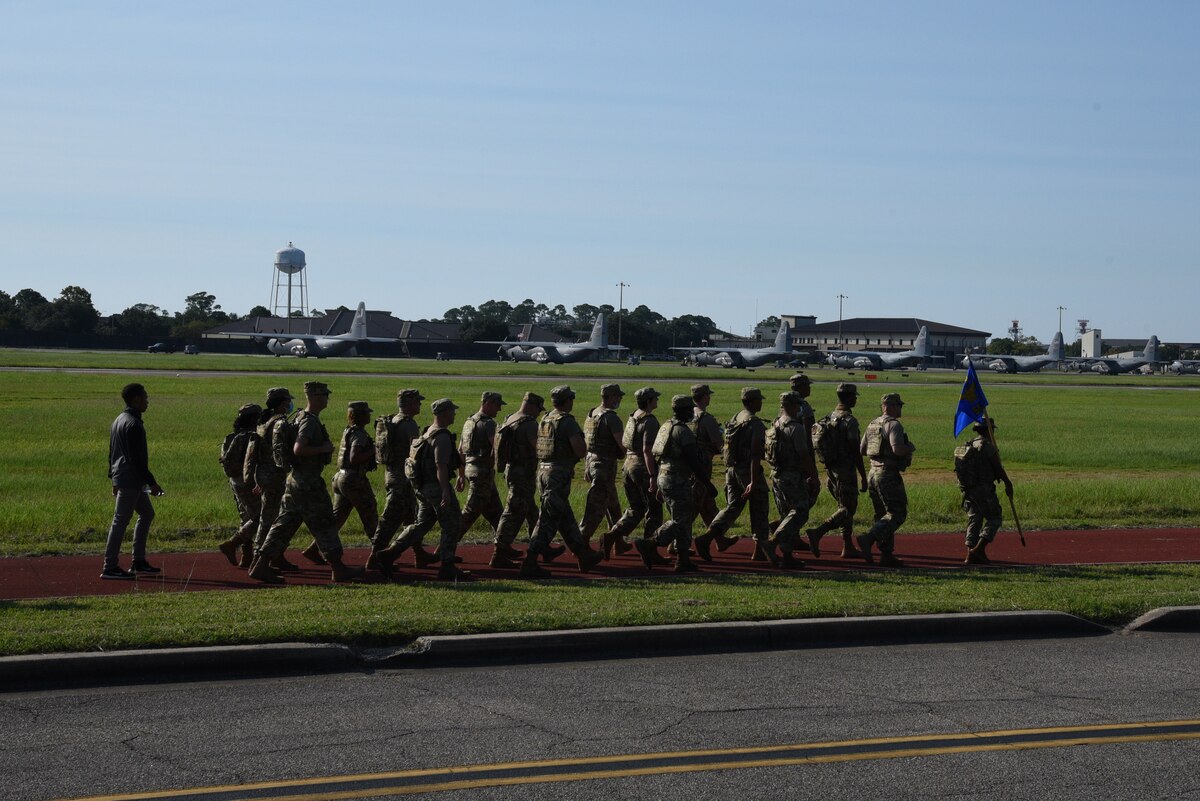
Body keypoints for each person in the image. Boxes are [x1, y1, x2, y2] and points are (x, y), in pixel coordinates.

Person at [250, 382, 365, 584]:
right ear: (315, 397)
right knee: (325, 523)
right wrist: (324, 448)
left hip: (296, 480)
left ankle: (261, 564)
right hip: (307, 482)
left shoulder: (300, 416)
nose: (327, 398)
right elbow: (298, 449)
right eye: (325, 395)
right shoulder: (309, 422)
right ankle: (338, 569)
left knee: (284, 524)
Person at [377, 398, 472, 581]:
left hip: (422, 488)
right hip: (436, 488)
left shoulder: (428, 432)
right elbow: (440, 466)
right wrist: (445, 491)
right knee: (452, 523)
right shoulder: (441, 436)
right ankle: (447, 566)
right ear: (444, 413)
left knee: (422, 524)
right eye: (452, 411)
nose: (454, 414)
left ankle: (389, 553)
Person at [518, 385, 604, 579]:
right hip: (558, 475)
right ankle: (530, 561)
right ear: (567, 401)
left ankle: (583, 555)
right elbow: (580, 450)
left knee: (565, 519)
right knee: (548, 520)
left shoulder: (545, 419)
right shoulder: (567, 422)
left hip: (543, 472)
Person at [635, 394, 717, 573]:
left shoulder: (665, 426)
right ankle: (650, 543)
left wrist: (658, 481)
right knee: (681, 520)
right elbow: (693, 460)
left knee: (683, 518)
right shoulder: (682, 431)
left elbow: (657, 455)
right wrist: (707, 483)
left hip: (665, 477)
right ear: (685, 411)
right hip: (677, 479)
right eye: (689, 409)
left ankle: (682, 559)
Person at [694, 387, 770, 562]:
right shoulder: (755, 423)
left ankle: (707, 537)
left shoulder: (737, 417)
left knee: (732, 507)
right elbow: (755, 454)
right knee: (759, 508)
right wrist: (753, 480)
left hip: (732, 469)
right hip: (747, 471)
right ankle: (759, 549)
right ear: (752, 402)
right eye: (759, 400)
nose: (761, 403)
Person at [101, 383, 163, 579]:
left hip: (123, 477)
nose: (147, 401)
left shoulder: (119, 419)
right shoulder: (134, 424)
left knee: (147, 513)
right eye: (145, 397)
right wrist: (152, 483)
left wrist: (113, 479)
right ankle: (110, 566)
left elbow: (112, 453)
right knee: (120, 521)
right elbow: (136, 459)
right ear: (136, 399)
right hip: (131, 479)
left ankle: (138, 561)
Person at [311, 400, 379, 565]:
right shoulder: (359, 434)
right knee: (370, 516)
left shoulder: (349, 430)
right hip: (354, 480)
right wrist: (374, 449)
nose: (369, 415)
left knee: (337, 518)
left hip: (341, 478)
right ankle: (378, 556)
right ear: (360, 416)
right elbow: (354, 458)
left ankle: (313, 549)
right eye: (367, 413)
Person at [806, 383, 869, 558]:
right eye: (854, 396)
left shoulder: (829, 417)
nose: (855, 399)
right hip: (845, 470)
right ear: (848, 398)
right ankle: (818, 532)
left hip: (831, 470)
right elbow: (855, 451)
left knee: (843, 507)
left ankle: (847, 546)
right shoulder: (849, 421)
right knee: (848, 508)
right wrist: (863, 476)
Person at [604, 387, 664, 559]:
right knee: (653, 510)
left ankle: (612, 536)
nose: (657, 400)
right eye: (655, 398)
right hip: (642, 467)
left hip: (628, 464)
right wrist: (652, 475)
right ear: (649, 401)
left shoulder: (633, 416)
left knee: (635, 509)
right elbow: (647, 450)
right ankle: (649, 549)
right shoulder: (649, 421)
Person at [858, 392, 914, 567]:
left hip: (873, 473)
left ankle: (886, 554)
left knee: (882, 515)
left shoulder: (872, 424)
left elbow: (862, 449)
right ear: (891, 406)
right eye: (899, 405)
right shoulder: (894, 425)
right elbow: (897, 449)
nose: (900, 408)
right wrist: (909, 448)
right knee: (897, 513)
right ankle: (869, 538)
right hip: (887, 474)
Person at [765, 392, 820, 568]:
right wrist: (814, 476)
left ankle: (787, 556)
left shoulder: (776, 424)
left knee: (786, 514)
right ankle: (773, 542)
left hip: (777, 475)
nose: (799, 408)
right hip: (792, 476)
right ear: (791, 405)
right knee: (800, 511)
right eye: (797, 404)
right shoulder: (796, 428)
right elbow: (804, 454)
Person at [490, 391, 545, 569]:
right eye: (539, 409)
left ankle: (541, 546)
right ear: (532, 406)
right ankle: (499, 552)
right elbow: (538, 449)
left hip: (511, 470)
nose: (539, 413)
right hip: (523, 474)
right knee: (513, 513)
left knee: (532, 511)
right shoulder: (529, 423)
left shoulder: (510, 418)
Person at [372, 389, 424, 565]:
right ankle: (374, 556)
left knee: (411, 517)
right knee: (390, 519)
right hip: (402, 479)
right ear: (409, 403)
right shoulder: (409, 424)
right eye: (417, 401)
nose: (420, 404)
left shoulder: (393, 420)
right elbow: (416, 452)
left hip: (393, 474)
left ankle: (419, 553)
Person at [244, 387, 293, 569]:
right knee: (270, 519)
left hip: (263, 473)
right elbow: (280, 451)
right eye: (288, 401)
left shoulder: (264, 421)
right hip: (274, 475)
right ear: (283, 402)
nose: (290, 404)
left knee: (270, 517)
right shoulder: (279, 422)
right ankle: (260, 558)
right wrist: (287, 467)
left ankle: (273, 556)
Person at [954, 419, 1014, 564]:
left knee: (975, 519)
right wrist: (1007, 482)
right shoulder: (987, 446)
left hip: (969, 490)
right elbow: (998, 468)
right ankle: (978, 550)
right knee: (995, 518)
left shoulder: (970, 444)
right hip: (984, 489)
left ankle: (970, 554)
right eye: (992, 429)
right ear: (988, 430)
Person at [580, 384, 628, 556]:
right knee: (596, 508)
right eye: (618, 396)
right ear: (610, 397)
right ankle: (582, 541)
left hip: (592, 462)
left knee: (613, 505)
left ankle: (619, 541)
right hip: (604, 467)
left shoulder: (592, 414)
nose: (620, 399)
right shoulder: (611, 418)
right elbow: (622, 444)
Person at [217, 402, 263, 568]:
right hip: (250, 482)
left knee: (246, 517)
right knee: (261, 517)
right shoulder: (253, 436)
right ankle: (233, 543)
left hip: (235, 482)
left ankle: (247, 556)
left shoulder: (231, 437)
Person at [456, 392, 506, 542]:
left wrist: (461, 474)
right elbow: (498, 449)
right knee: (468, 515)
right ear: (487, 403)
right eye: (497, 405)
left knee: (497, 516)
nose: (499, 409)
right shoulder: (488, 423)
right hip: (482, 475)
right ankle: (444, 548)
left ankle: (502, 548)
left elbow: (460, 451)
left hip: (473, 472)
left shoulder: (469, 422)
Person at [689, 384, 723, 528]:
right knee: (693, 505)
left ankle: (717, 535)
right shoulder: (707, 419)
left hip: (689, 463)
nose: (709, 398)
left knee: (708, 503)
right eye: (708, 395)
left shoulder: (687, 416)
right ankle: (671, 536)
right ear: (704, 397)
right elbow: (719, 444)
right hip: (703, 465)